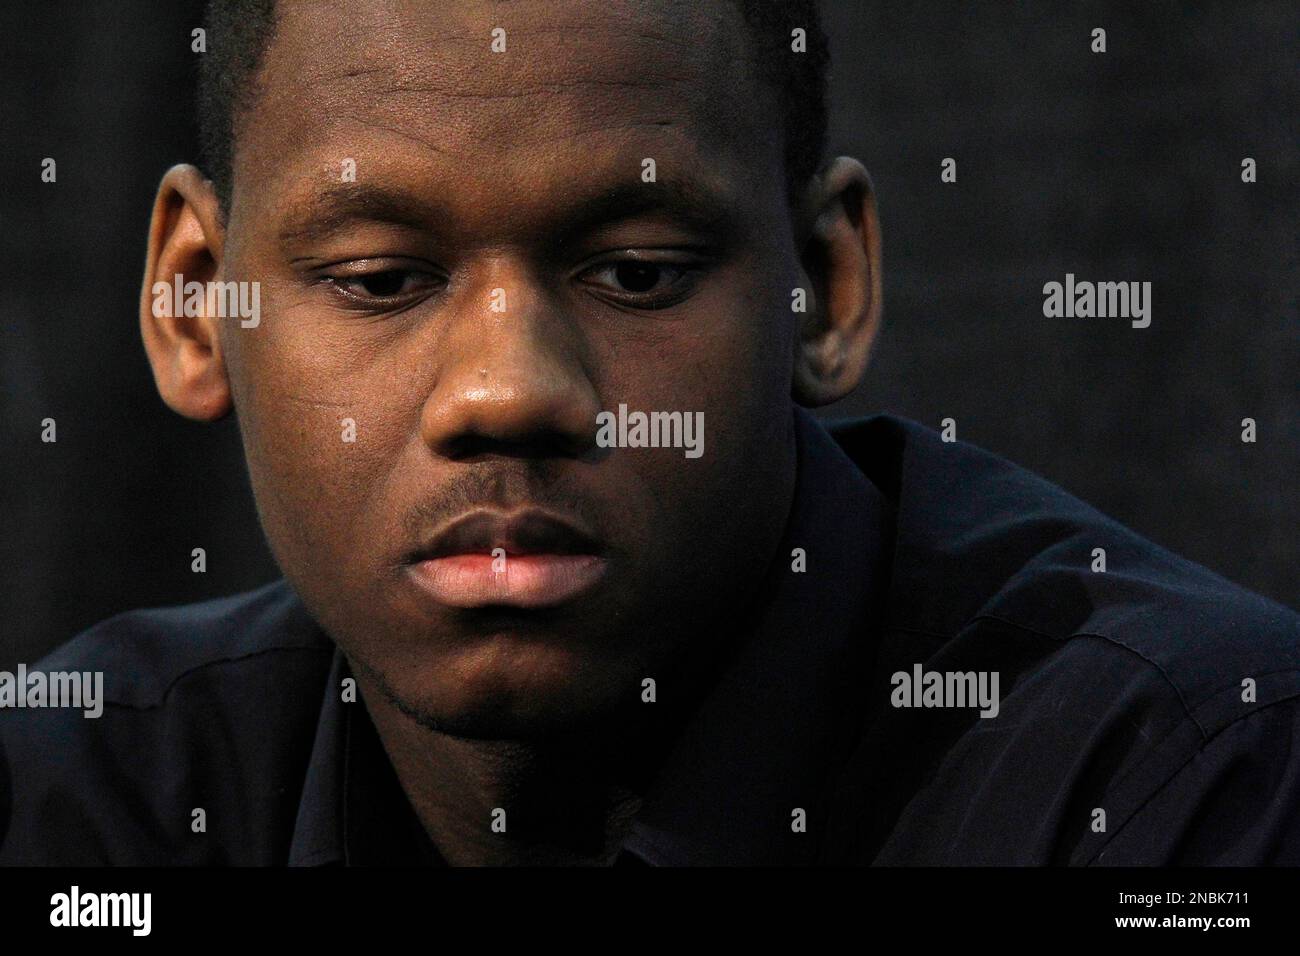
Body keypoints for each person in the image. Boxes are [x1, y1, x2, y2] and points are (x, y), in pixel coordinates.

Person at [2, 0, 1297, 866]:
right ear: (194, 307)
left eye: (635, 272)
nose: (505, 392)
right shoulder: (87, 801)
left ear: (826, 289)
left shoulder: (1179, 787)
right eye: (383, 279)